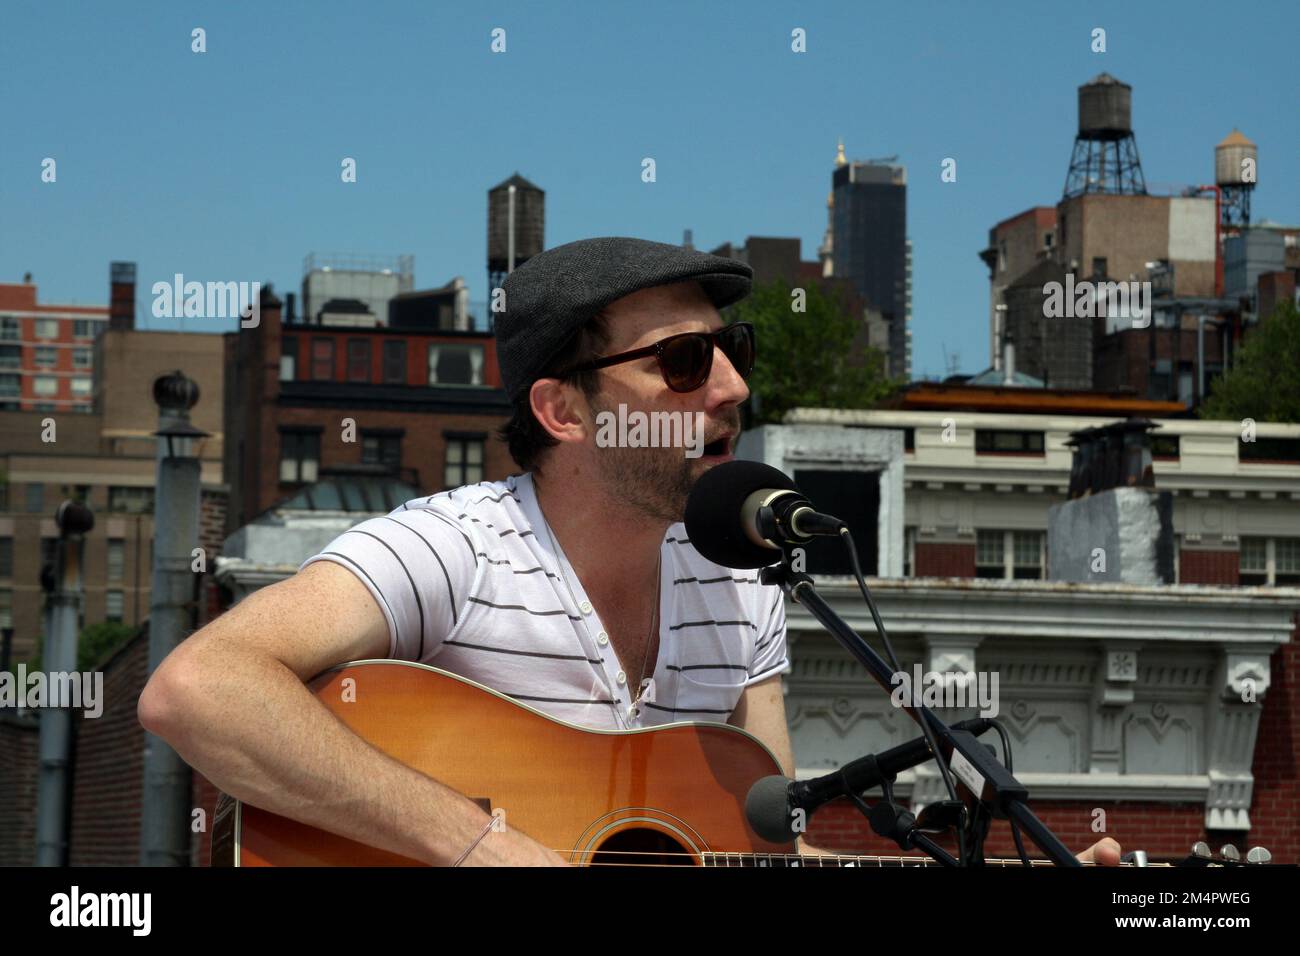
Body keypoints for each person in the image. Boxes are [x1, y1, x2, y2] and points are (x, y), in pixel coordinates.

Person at [139, 236, 1121, 867]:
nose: (732, 384)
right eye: (684, 362)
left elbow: (759, 849)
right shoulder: (454, 548)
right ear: (565, 408)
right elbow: (197, 688)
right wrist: (485, 846)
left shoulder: (743, 588)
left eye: (731, 349)